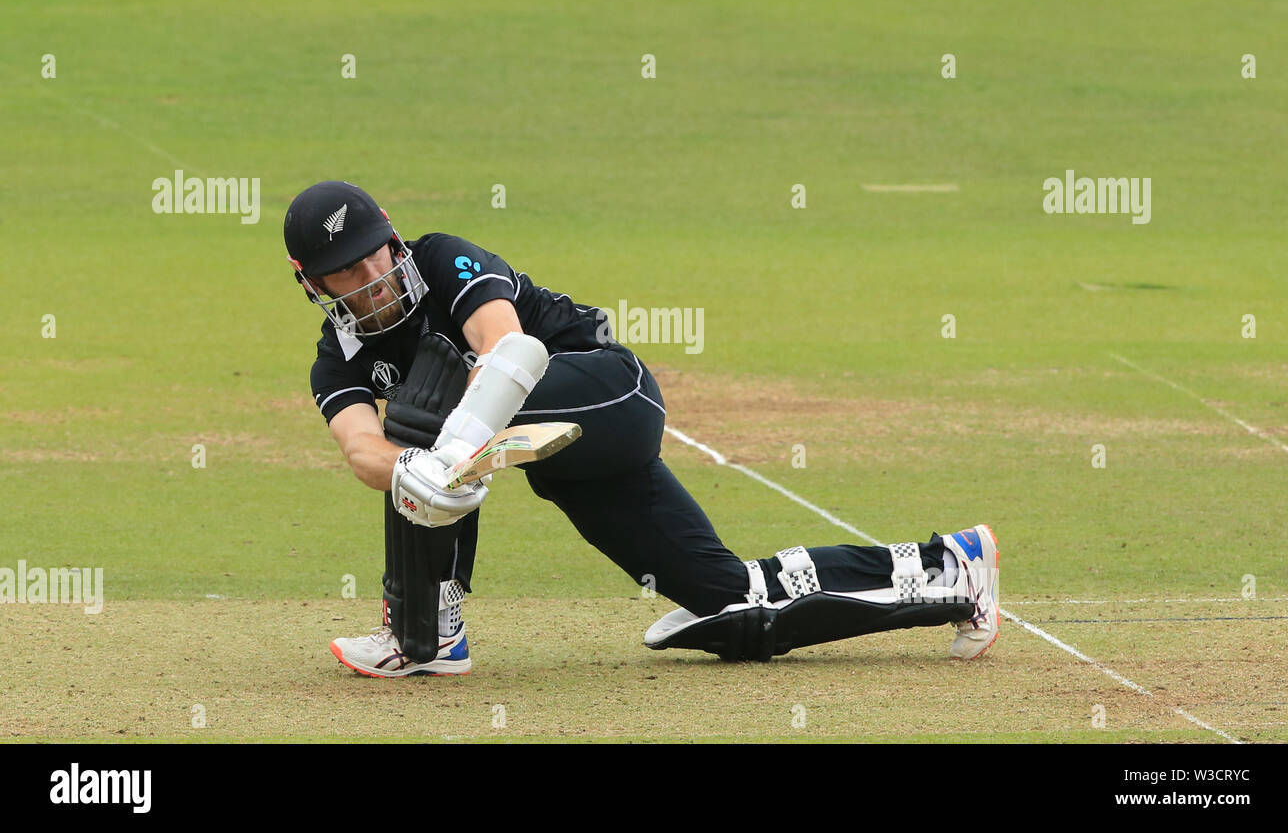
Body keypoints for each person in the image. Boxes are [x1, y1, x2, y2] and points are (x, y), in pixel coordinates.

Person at [284, 180, 1000, 676]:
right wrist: (417, 474)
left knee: (425, 417)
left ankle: (426, 632)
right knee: (733, 603)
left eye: (376, 250)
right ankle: (951, 569)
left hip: (606, 392)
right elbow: (360, 447)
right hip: (568, 465)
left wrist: (442, 455)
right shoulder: (335, 359)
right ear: (311, 281)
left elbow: (510, 351)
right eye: (346, 270)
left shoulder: (445, 258)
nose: (373, 273)